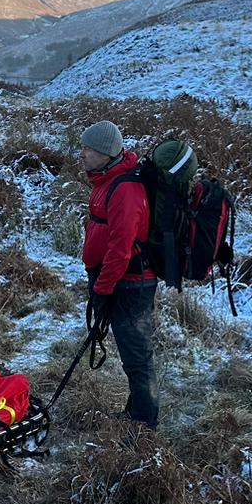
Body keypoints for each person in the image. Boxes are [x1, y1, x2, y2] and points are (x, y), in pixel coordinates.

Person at [79, 120, 159, 429]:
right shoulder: (105, 182)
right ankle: (136, 412)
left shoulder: (124, 189)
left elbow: (120, 248)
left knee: (137, 355)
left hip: (131, 284)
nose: (81, 155)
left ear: (106, 153)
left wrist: (103, 288)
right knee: (132, 352)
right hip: (118, 281)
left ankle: (144, 425)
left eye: (88, 149)